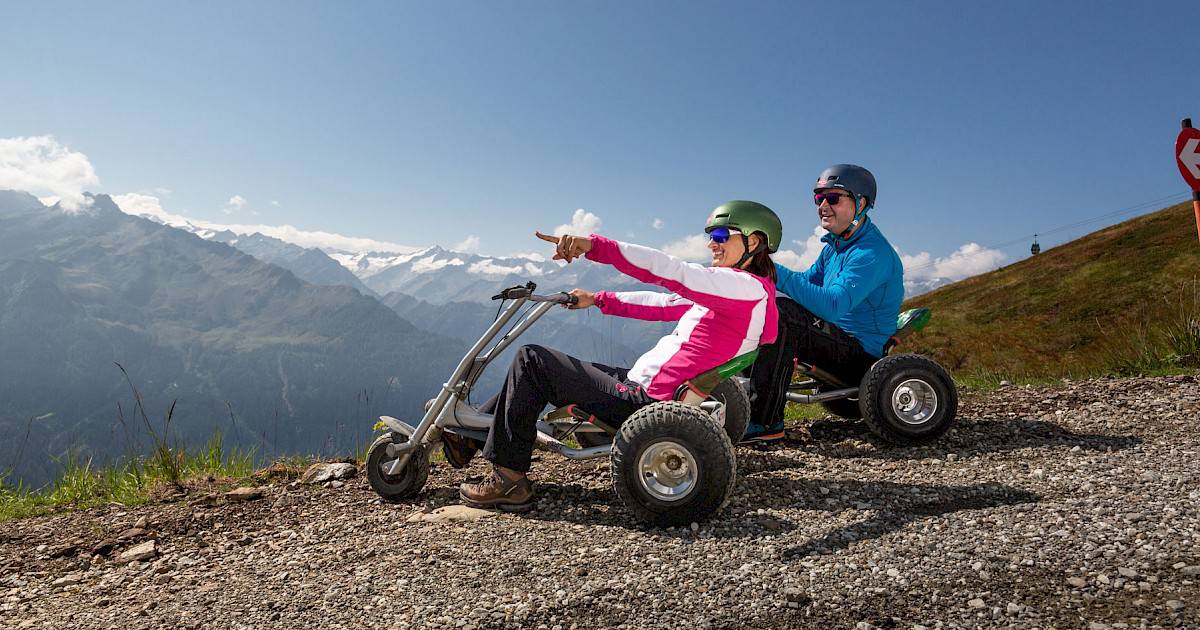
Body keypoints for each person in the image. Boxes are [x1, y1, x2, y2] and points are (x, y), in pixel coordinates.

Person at [452, 201, 783, 509]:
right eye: (710, 236)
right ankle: (469, 437)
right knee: (540, 372)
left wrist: (595, 247)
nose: (712, 243)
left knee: (532, 361)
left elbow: (673, 271)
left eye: (722, 235)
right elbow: (664, 305)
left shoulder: (740, 287)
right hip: (644, 387)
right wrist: (598, 299)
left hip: (643, 402)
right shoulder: (747, 294)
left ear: (753, 243)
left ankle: (509, 479)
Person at [743, 164, 904, 442]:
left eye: (833, 198)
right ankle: (739, 400)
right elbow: (805, 284)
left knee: (785, 315)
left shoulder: (870, 253)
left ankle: (764, 422)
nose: (823, 206)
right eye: (819, 198)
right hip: (838, 341)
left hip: (860, 356)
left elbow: (832, 306)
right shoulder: (835, 247)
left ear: (861, 203)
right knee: (765, 307)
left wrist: (774, 271)